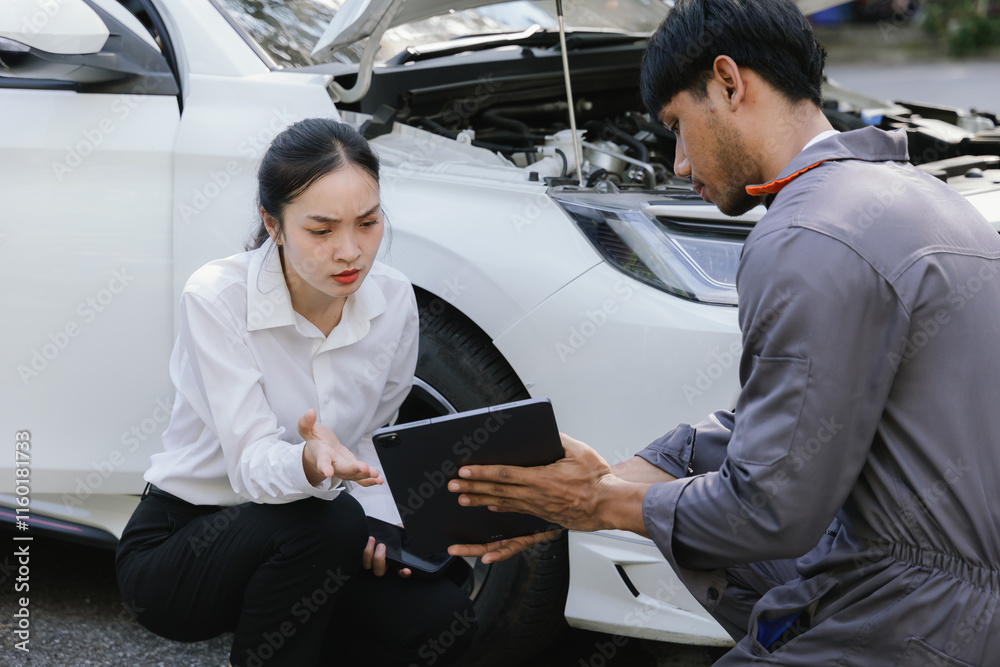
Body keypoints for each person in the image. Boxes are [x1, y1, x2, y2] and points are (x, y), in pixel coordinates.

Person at [447, 0, 1000, 663]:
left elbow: (768, 507)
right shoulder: (925, 198)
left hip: (912, 613)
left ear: (730, 82)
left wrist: (597, 505)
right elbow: (799, 425)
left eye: (677, 126)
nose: (680, 163)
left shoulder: (804, 235)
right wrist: (583, 489)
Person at [116, 118, 475, 667]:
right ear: (274, 224)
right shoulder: (217, 298)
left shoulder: (393, 298)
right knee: (328, 524)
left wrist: (384, 527)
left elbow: (372, 437)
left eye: (368, 223)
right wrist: (310, 464)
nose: (350, 251)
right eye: (322, 230)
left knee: (440, 618)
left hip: (317, 538)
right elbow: (250, 465)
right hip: (186, 543)